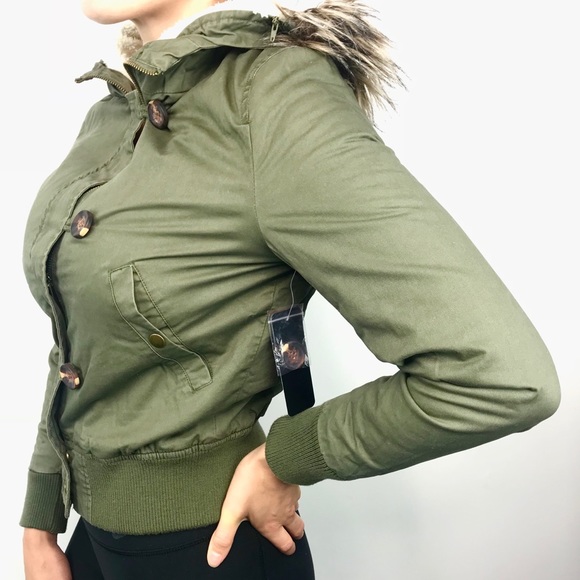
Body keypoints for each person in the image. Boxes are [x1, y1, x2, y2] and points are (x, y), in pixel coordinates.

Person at [20, 0, 561, 578]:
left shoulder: (274, 94)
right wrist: (42, 514)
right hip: (91, 545)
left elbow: (501, 375)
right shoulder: (113, 110)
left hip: (207, 547)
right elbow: (76, 329)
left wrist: (285, 458)